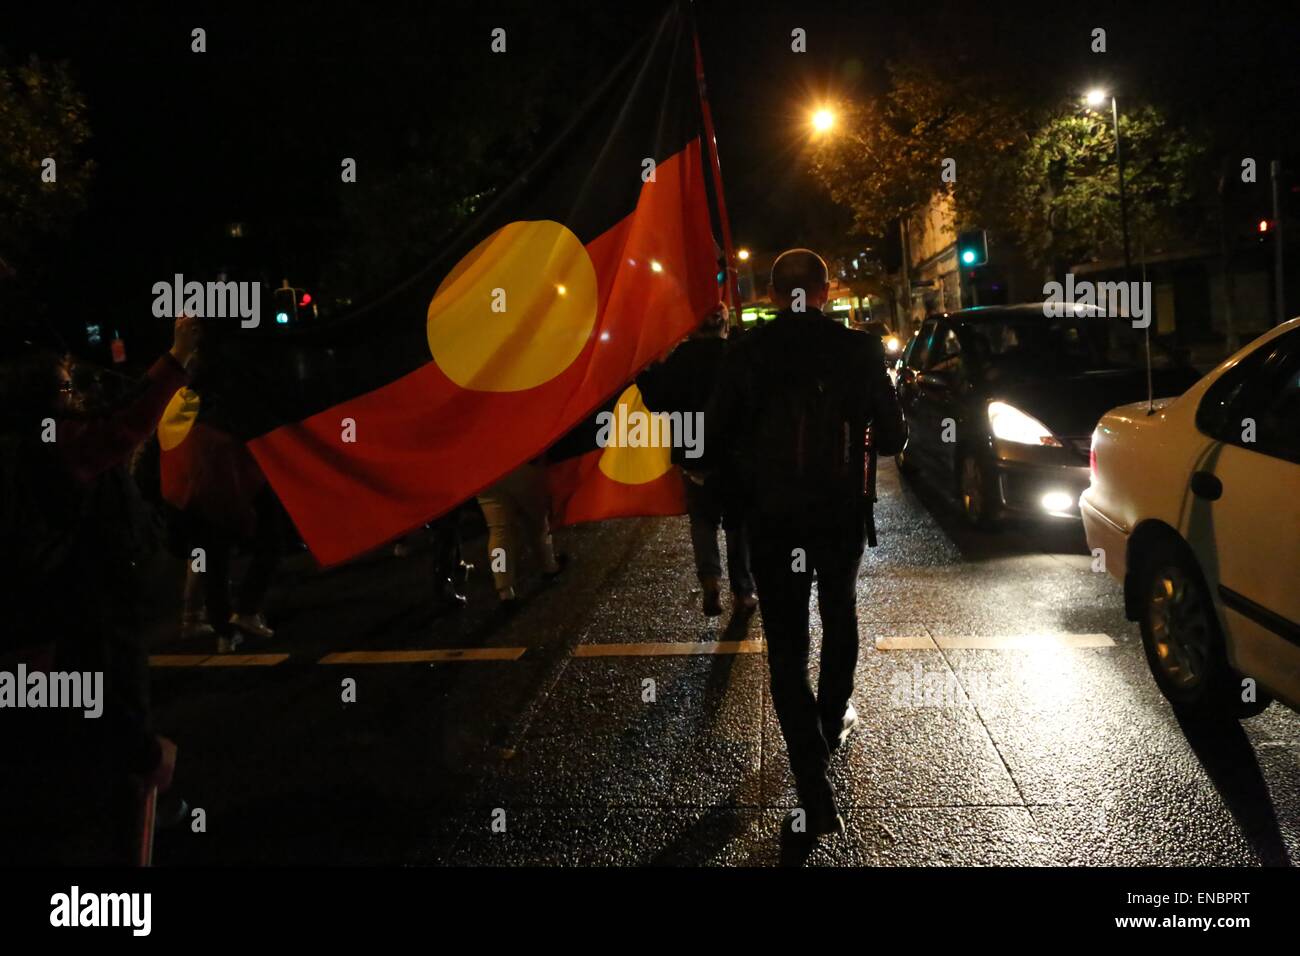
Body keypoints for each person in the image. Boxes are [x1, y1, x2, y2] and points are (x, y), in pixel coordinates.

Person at [705, 249, 906, 838]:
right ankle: (831, 714)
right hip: (838, 515)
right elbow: (893, 437)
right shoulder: (859, 350)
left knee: (787, 643)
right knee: (839, 614)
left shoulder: (744, 353)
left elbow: (712, 438)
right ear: (823, 290)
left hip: (770, 520)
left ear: (771, 295)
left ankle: (810, 778)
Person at [0, 314, 199, 862]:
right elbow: (123, 425)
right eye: (67, 391)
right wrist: (141, 752)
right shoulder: (61, 461)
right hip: (57, 674)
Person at [638, 302, 755, 618]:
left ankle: (710, 580)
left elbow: (657, 401)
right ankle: (743, 590)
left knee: (703, 520)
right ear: (723, 324)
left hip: (693, 451)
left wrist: (646, 372)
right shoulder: (736, 355)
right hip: (733, 453)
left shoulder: (679, 360)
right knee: (737, 522)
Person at [476, 460, 567, 612]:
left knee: (499, 532)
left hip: (485, 473)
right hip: (520, 465)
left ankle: (504, 589)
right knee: (537, 522)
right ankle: (549, 565)